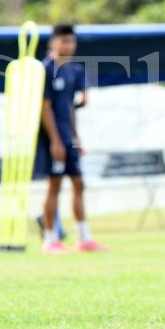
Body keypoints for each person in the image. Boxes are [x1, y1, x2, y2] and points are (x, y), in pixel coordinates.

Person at [35, 24, 107, 253]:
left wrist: (76, 138)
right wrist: (55, 141)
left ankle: (84, 238)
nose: (69, 46)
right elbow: (45, 107)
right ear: (53, 42)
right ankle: (50, 240)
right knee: (54, 186)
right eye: (64, 41)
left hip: (68, 137)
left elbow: (70, 108)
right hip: (51, 138)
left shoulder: (74, 70)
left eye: (72, 41)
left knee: (78, 183)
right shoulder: (44, 70)